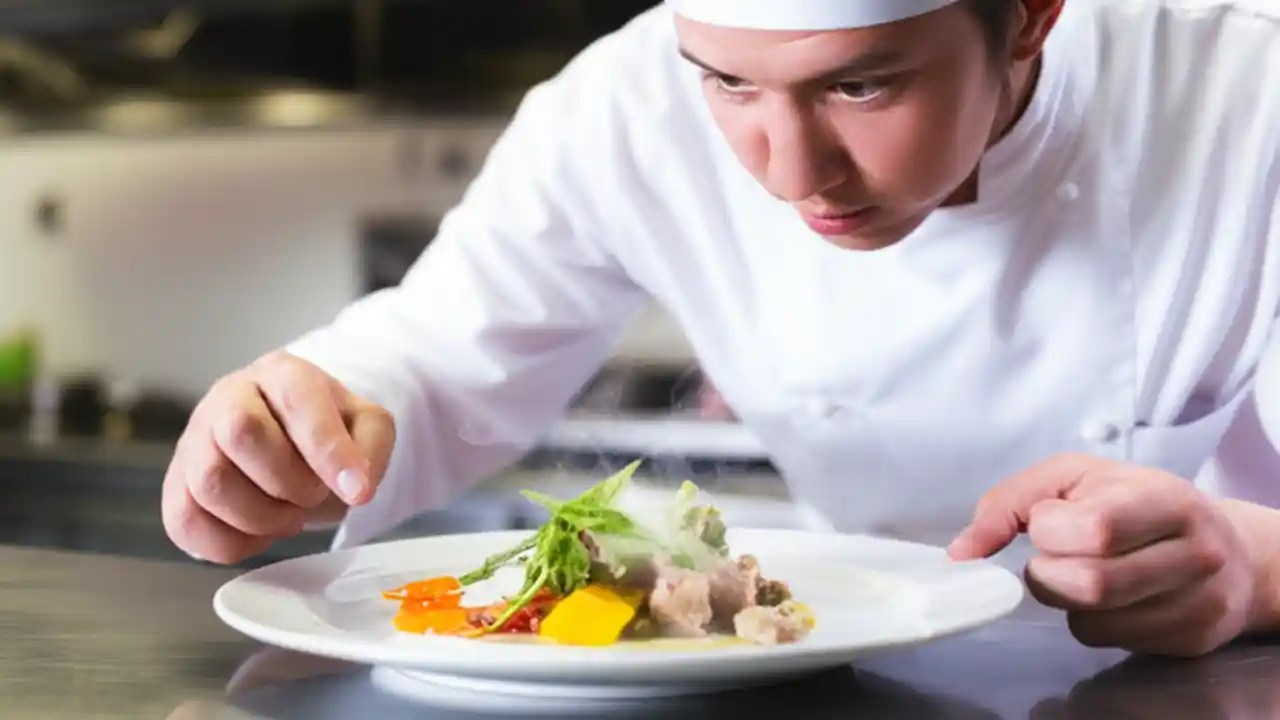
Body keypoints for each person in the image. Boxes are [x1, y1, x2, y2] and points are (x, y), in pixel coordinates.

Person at [160, 0, 1280, 658]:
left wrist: (1253, 568)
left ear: (1032, 11)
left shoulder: (1248, 91)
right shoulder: (618, 105)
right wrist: (308, 422)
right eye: (728, 87)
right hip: (834, 685)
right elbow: (438, 354)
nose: (789, 173)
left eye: (862, 88)